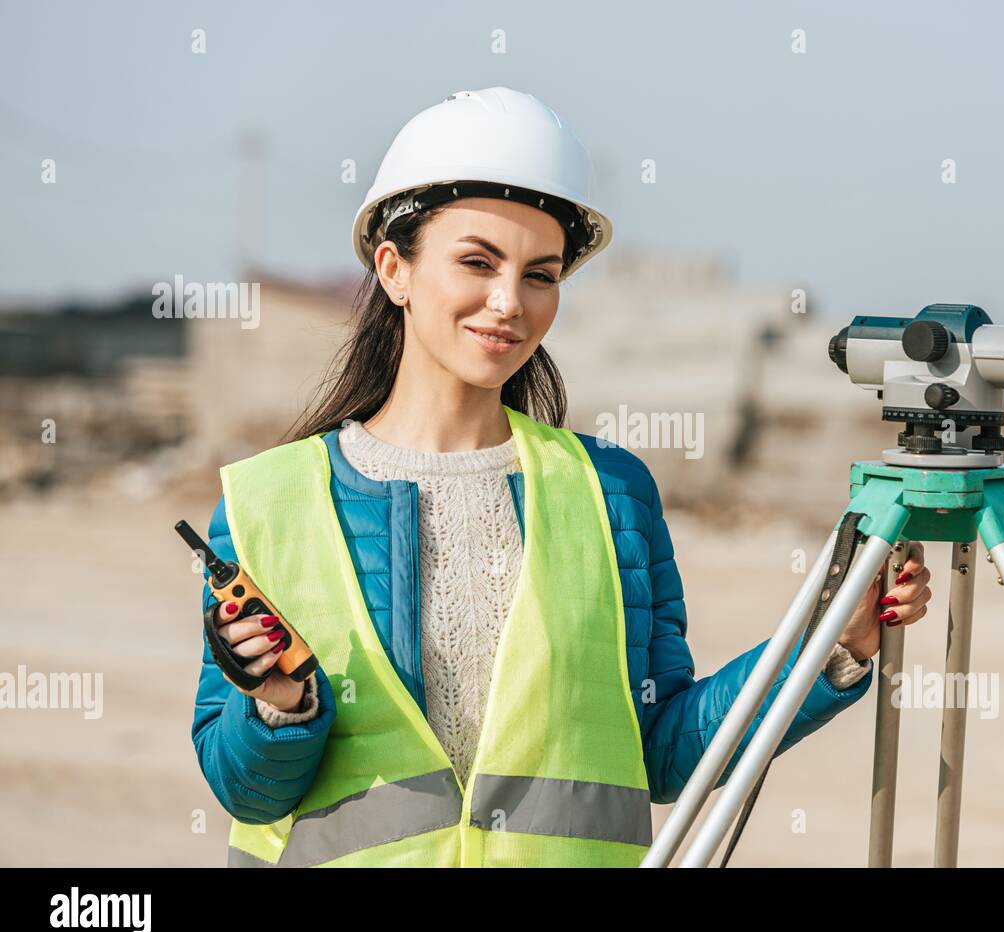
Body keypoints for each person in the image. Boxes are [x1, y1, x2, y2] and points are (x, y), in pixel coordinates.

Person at [189, 86, 932, 867]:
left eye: (540, 275)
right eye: (477, 262)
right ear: (394, 269)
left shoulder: (609, 494)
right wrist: (278, 705)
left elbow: (663, 749)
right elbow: (250, 794)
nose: (509, 302)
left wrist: (831, 644)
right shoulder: (266, 503)